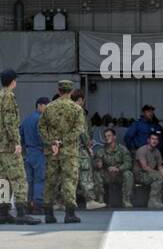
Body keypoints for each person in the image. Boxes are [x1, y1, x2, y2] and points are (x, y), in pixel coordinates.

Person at [0, 70, 40, 225]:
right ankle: (21, 213)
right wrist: (16, 142)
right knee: (19, 178)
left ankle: (3, 214)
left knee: (3, 180)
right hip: (9, 146)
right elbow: (10, 122)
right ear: (12, 81)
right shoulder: (9, 96)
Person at [40, 79, 87, 224]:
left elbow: (41, 127)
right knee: (69, 180)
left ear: (58, 91)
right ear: (71, 91)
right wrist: (63, 142)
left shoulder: (49, 107)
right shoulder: (77, 109)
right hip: (69, 152)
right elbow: (78, 130)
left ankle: (49, 214)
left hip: (52, 151)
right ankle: (69, 214)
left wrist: (52, 142)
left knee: (50, 181)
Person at [72, 90, 107, 210]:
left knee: (68, 176)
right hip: (80, 149)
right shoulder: (79, 111)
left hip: (68, 149)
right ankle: (90, 200)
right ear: (81, 100)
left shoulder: (66, 111)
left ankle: (62, 201)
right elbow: (82, 131)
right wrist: (88, 145)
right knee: (86, 174)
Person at [20, 96, 50, 212]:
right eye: (47, 106)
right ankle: (38, 205)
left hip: (28, 152)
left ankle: (28, 204)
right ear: (40, 105)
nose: (48, 109)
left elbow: (20, 136)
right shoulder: (41, 120)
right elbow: (42, 137)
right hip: (39, 152)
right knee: (40, 179)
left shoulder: (26, 119)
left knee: (29, 180)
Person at [133, 132, 163, 208]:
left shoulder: (157, 151)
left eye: (156, 139)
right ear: (148, 140)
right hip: (140, 174)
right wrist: (159, 173)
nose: (154, 141)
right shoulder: (142, 150)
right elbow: (144, 167)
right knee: (158, 177)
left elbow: (159, 166)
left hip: (151, 173)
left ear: (158, 142)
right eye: (152, 139)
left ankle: (158, 197)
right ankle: (152, 202)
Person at [96, 127, 134, 207]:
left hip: (119, 174)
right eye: (105, 136)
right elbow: (97, 163)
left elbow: (128, 163)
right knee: (97, 174)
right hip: (108, 175)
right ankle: (100, 199)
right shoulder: (101, 150)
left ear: (114, 137)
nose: (107, 138)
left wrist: (118, 168)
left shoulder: (122, 149)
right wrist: (98, 164)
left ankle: (126, 200)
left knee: (128, 174)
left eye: (109, 136)